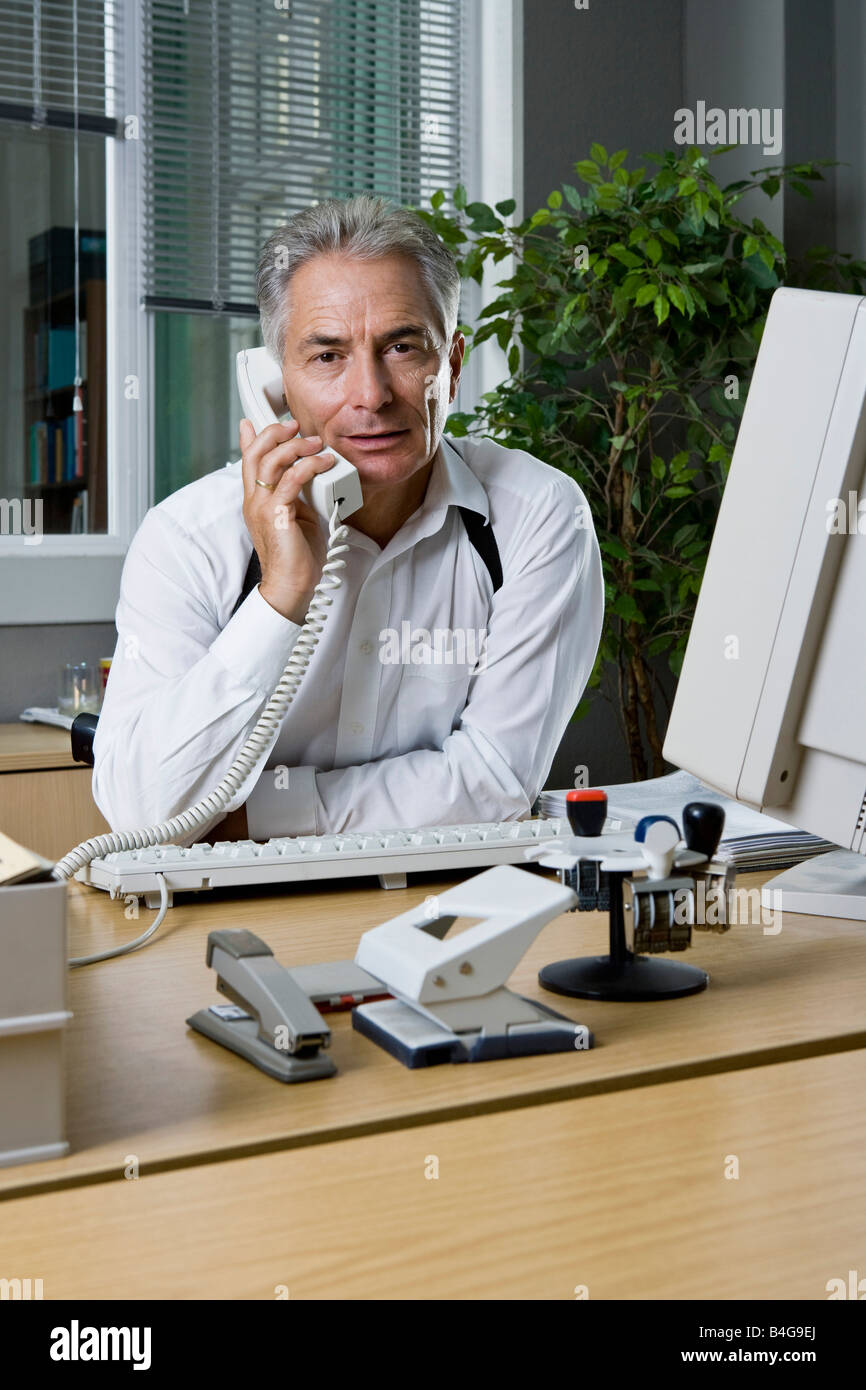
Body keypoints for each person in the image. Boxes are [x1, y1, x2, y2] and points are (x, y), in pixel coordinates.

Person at [92, 193, 604, 842]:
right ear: (275, 384)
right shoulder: (187, 539)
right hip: (223, 912)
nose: (371, 395)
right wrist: (280, 597)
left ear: (451, 366)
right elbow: (142, 812)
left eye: (401, 347)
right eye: (328, 356)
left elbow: (496, 778)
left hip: (446, 900)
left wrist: (255, 816)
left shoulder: (539, 519)